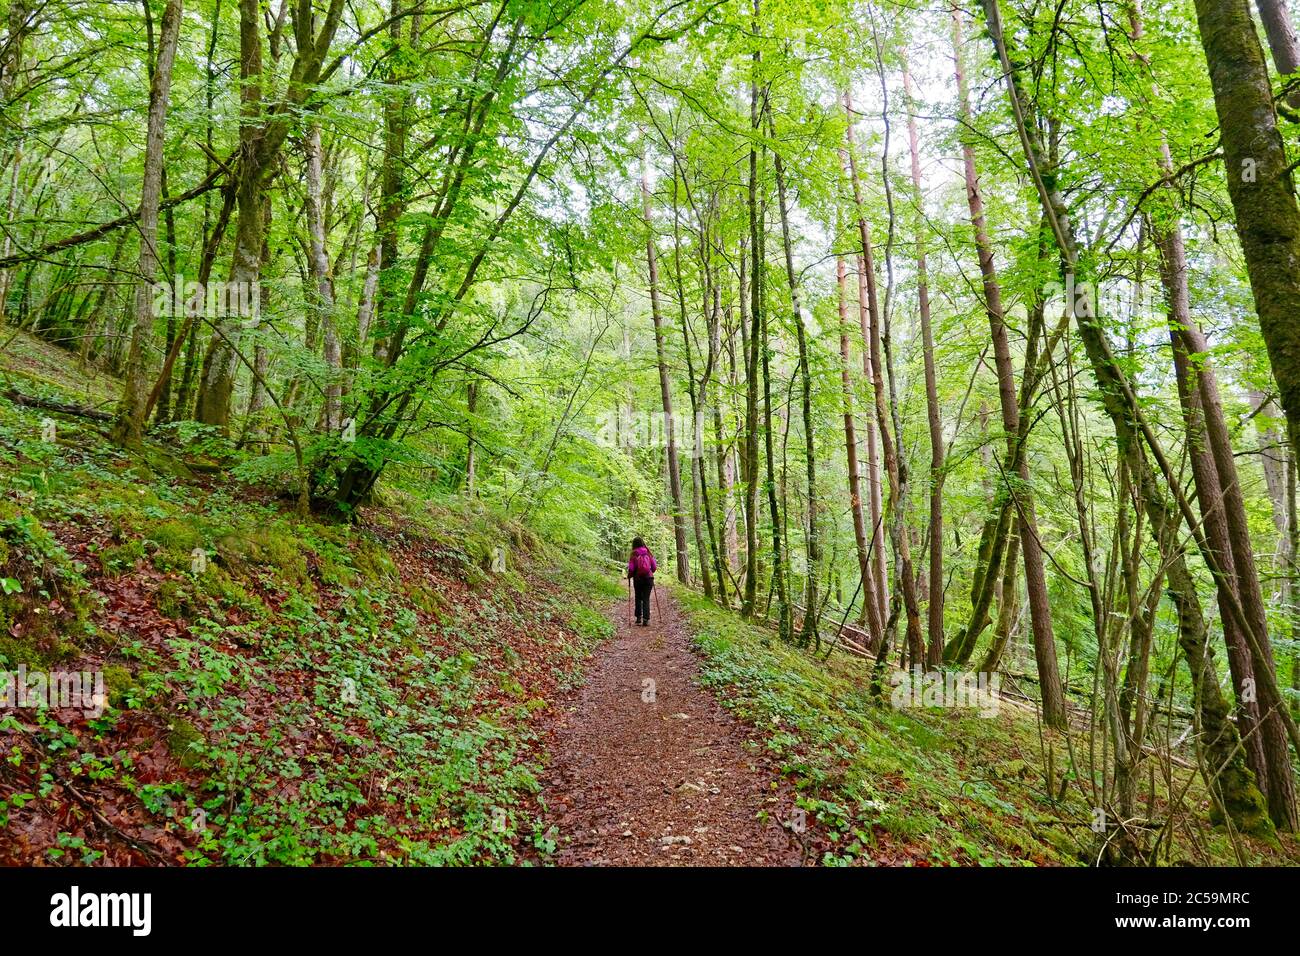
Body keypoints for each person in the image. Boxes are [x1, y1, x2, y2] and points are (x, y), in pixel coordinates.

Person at [626, 536, 657, 626]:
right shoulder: (648, 553)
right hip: (648, 578)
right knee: (646, 598)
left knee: (638, 597)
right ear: (642, 543)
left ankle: (638, 618)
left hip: (638, 579)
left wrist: (629, 575)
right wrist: (650, 571)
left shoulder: (633, 554)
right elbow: (654, 567)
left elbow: (631, 569)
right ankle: (646, 619)